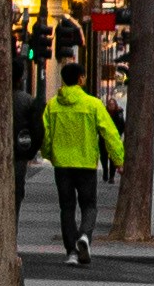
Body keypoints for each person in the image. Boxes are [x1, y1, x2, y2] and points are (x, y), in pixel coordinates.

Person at [40, 55, 121, 265]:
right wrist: (118, 160)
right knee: (89, 205)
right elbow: (110, 133)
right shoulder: (93, 104)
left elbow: (45, 135)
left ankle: (71, 252)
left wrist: (49, 154)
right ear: (81, 79)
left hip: (62, 165)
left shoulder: (52, 106)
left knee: (66, 208)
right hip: (86, 165)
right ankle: (85, 236)